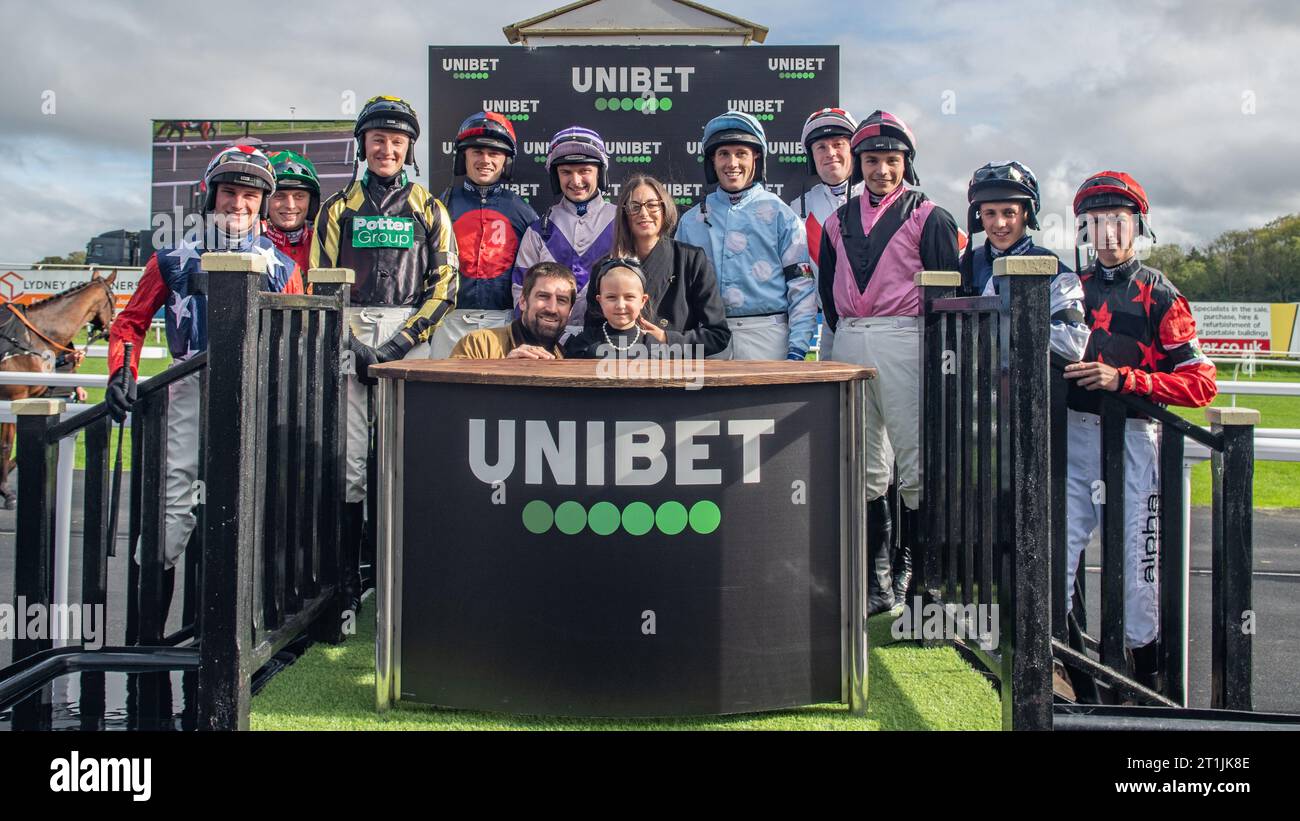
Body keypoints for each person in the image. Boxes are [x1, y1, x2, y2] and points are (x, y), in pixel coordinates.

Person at [106, 144, 298, 610]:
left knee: (252, 509)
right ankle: (145, 633)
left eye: (250, 195)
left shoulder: (284, 267)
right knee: (172, 511)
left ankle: (235, 630)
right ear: (210, 197)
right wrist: (120, 372)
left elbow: (297, 338)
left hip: (255, 392)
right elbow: (128, 323)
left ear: (263, 202)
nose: (239, 204)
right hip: (187, 388)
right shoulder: (171, 260)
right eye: (229, 193)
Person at [1062, 171, 1217, 688]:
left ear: (1138, 226)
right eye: (1097, 221)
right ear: (1085, 228)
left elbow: (1201, 384)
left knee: (1137, 574)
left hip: (1133, 441)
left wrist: (1124, 379)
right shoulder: (1071, 287)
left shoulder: (1159, 293)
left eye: (1119, 221)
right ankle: (1061, 685)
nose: (1108, 232)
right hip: (1074, 436)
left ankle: (1146, 693)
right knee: (1054, 563)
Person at [311, 94, 458, 612]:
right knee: (350, 464)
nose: (387, 149)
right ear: (362, 144)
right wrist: (353, 345)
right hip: (349, 332)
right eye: (379, 139)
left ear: (410, 149)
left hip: (407, 336)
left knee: (402, 461)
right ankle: (347, 587)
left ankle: (399, 586)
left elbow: (444, 286)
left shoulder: (431, 208)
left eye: (397, 141)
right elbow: (320, 286)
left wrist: (398, 345)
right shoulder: (335, 209)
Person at [817, 110, 961, 614]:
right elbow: (826, 292)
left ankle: (924, 583)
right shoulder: (837, 221)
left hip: (905, 337)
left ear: (907, 163)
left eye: (892, 160)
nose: (881, 170)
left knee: (916, 462)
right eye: (872, 160)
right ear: (858, 163)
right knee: (864, 467)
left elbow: (949, 295)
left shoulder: (931, 215)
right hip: (849, 338)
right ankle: (877, 586)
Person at [676, 111, 815, 360]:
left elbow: (801, 285)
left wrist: (797, 348)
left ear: (756, 157)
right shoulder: (690, 221)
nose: (732, 163)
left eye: (741, 153)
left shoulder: (781, 214)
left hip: (768, 338)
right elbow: (678, 291)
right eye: (723, 154)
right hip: (708, 337)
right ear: (712, 161)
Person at [431, 111, 539, 358]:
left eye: (494, 153)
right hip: (449, 320)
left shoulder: (522, 211)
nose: (485, 160)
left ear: (506, 161)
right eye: (477, 152)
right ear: (463, 157)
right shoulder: (440, 206)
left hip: (502, 321)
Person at [586, 174, 730, 356]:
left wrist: (666, 338)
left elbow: (718, 336)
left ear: (664, 209)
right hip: (618, 369)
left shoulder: (691, 259)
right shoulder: (604, 267)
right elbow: (591, 333)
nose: (644, 213)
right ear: (624, 213)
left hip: (674, 370)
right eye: (634, 206)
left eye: (652, 205)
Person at [960, 160, 1089, 362]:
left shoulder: (1055, 272)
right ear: (979, 218)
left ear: (1026, 214)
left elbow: (1073, 342)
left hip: (1027, 386)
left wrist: (1000, 323)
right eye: (990, 213)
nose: (999, 223)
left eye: (1009, 213)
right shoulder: (966, 264)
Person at [511, 126, 617, 342]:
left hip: (606, 341)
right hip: (548, 343)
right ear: (555, 176)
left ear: (600, 172)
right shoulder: (539, 229)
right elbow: (520, 290)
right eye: (566, 172)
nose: (576, 181)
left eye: (584, 171)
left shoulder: (622, 223)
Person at [451, 261, 575, 360]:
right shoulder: (478, 344)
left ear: (570, 311)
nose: (552, 309)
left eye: (561, 300)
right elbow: (453, 391)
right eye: (543, 296)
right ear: (522, 302)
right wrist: (505, 370)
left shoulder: (569, 359)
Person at [565, 258, 667, 360]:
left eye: (629, 297)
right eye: (611, 297)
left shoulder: (653, 347)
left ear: (642, 301)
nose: (620, 305)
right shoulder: (584, 343)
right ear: (600, 301)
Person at [263, 149, 319, 290]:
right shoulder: (253, 248)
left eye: (299, 196)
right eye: (279, 196)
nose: (290, 205)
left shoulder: (325, 247)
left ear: (311, 202)